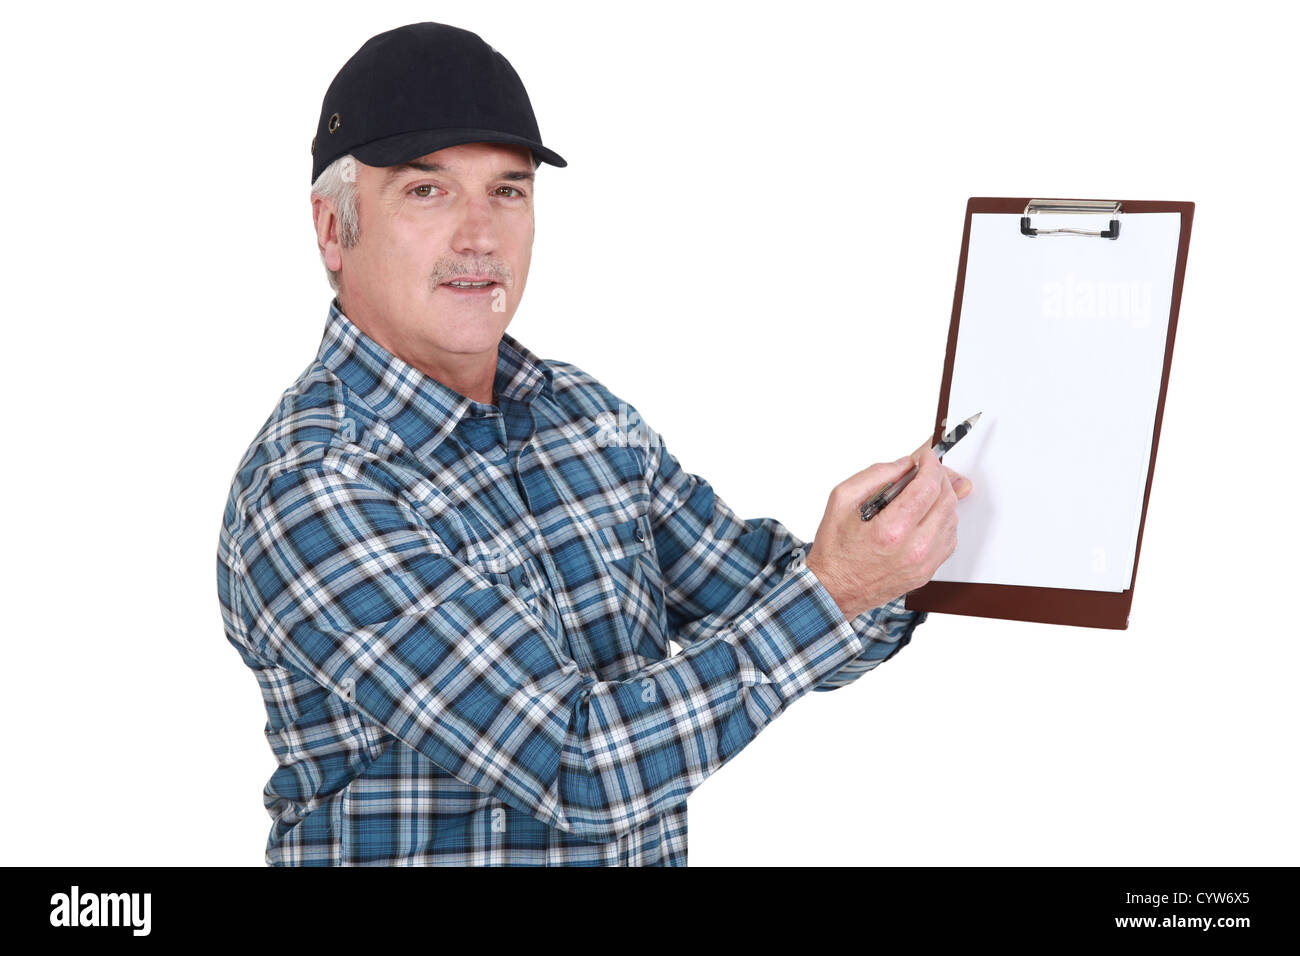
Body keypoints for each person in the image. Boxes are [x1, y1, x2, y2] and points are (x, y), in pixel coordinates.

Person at [215, 21, 972, 867]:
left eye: (508, 191)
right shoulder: (315, 486)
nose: (480, 236)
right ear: (332, 228)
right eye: (427, 192)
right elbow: (581, 768)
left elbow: (789, 611)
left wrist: (928, 531)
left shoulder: (584, 419)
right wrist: (837, 591)